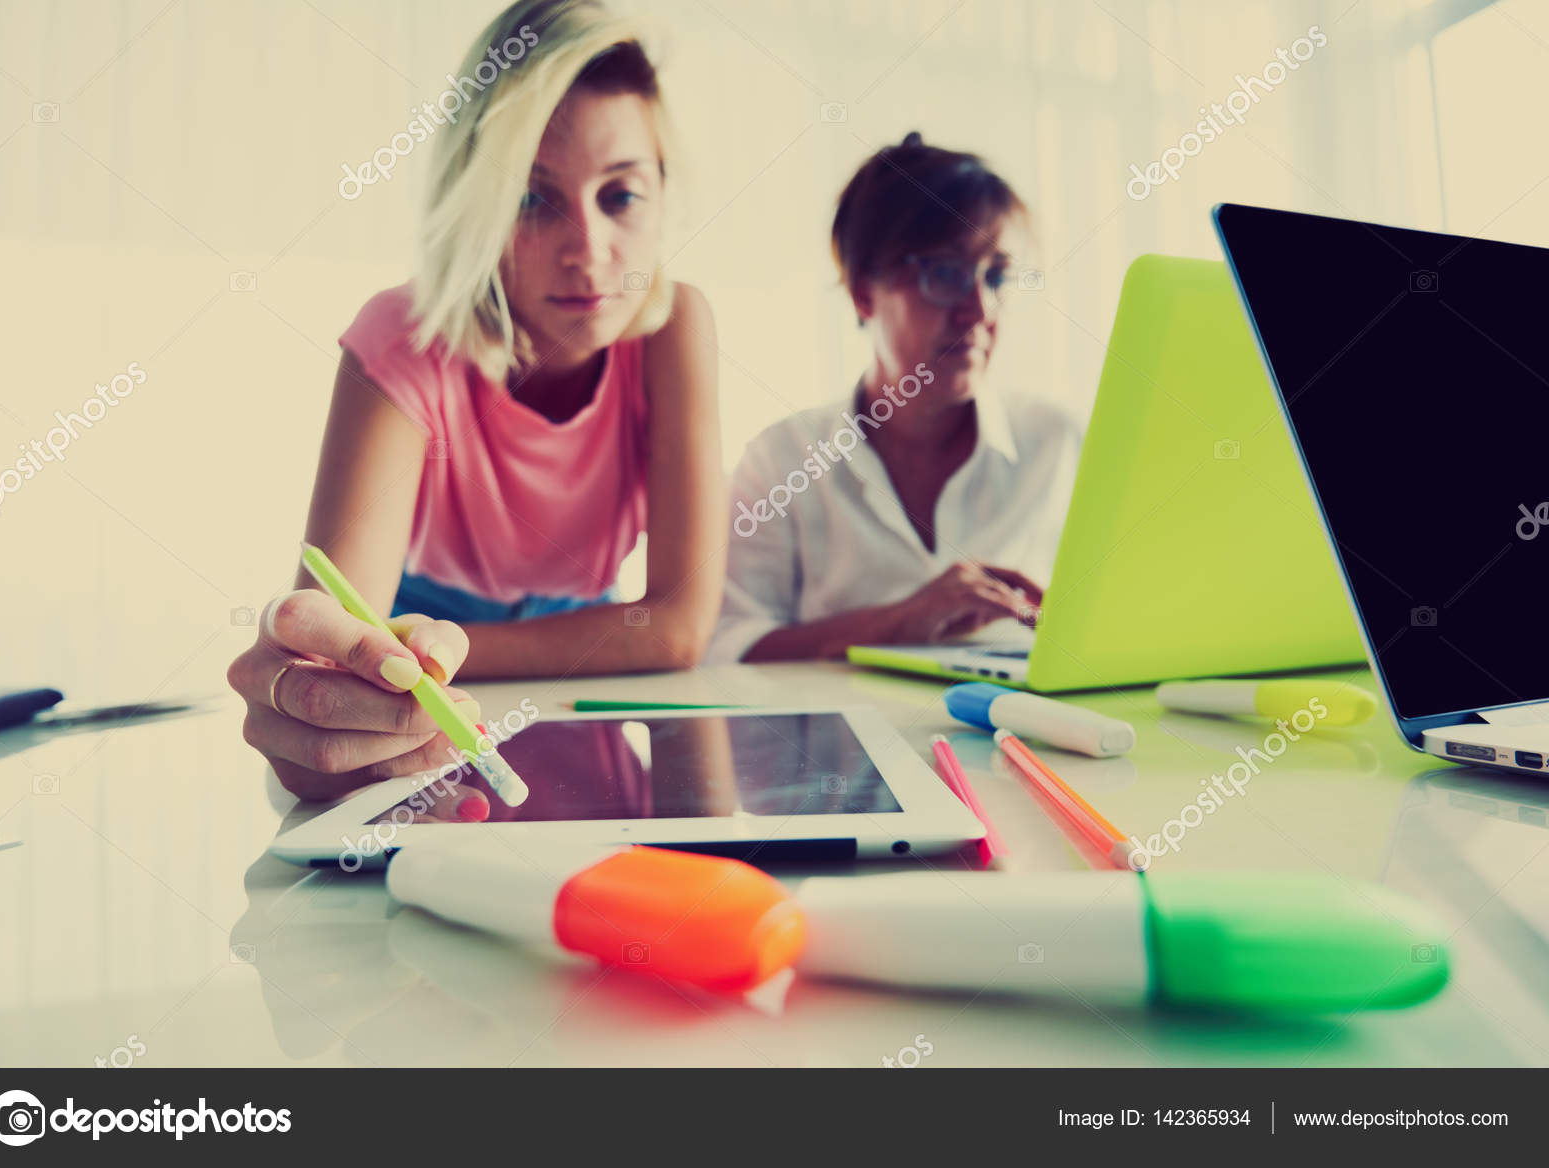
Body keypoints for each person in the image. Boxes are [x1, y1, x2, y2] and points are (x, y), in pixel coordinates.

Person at [227, 0, 723, 799]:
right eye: (532, 199)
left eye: (621, 196)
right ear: (476, 207)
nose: (589, 251)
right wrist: (327, 686)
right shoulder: (402, 339)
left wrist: (438, 657)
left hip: (507, 688)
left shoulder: (673, 327)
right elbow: (326, 645)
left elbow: (677, 628)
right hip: (428, 701)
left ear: (664, 195)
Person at [709, 133, 1080, 663]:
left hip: (1024, 736)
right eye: (945, 274)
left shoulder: (1061, 444)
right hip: (838, 745)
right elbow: (725, 644)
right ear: (863, 291)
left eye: (995, 276)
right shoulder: (782, 459)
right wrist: (897, 622)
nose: (978, 311)